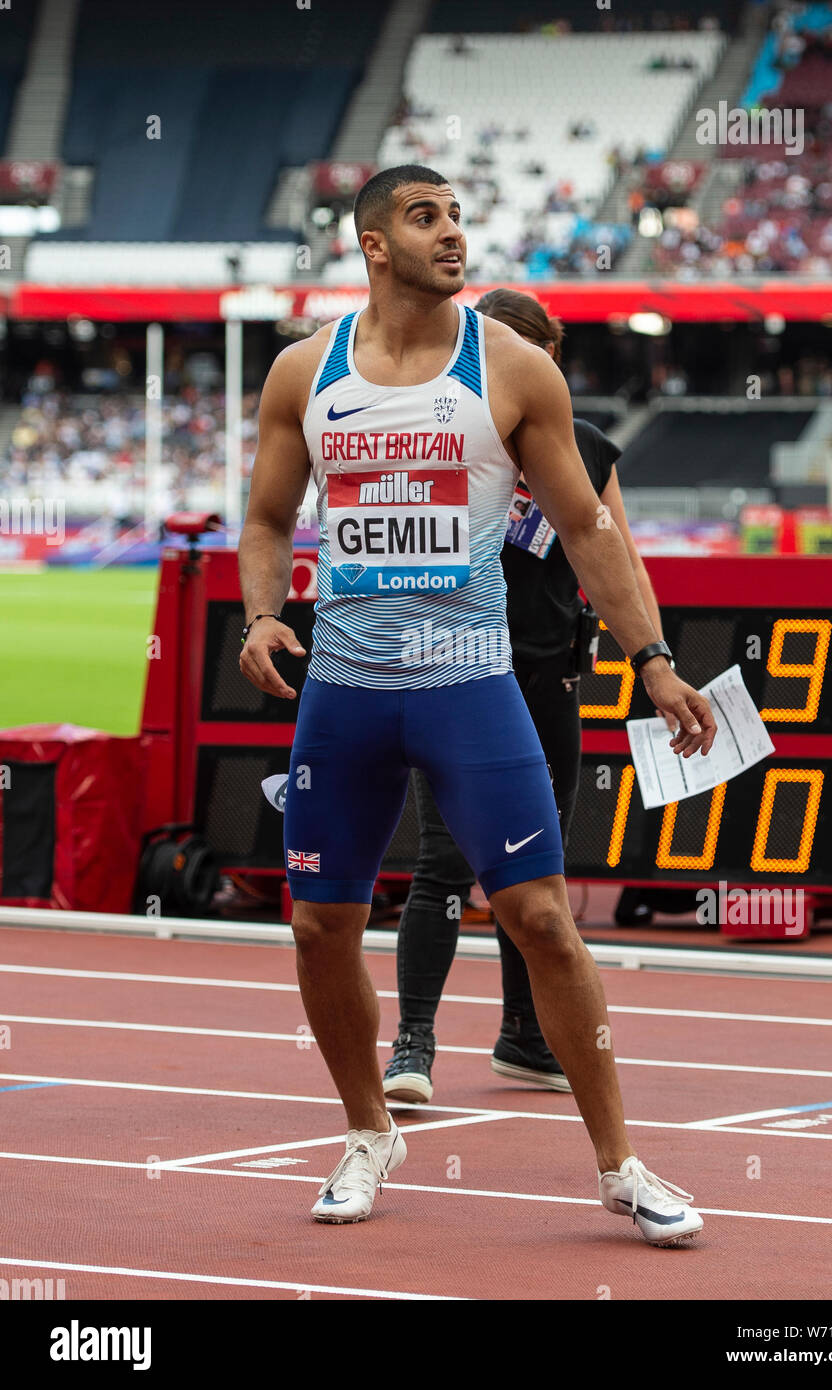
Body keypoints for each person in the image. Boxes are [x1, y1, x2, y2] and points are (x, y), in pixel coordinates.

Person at [238, 164, 715, 1246]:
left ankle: (619, 1165)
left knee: (542, 918)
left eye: (457, 214)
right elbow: (266, 519)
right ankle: (368, 1132)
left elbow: (590, 529)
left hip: (470, 685)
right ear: (371, 243)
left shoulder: (507, 367)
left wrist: (650, 658)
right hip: (347, 692)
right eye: (423, 217)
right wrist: (261, 613)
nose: (451, 232)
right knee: (318, 926)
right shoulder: (301, 374)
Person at [382, 287, 665, 1103]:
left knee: (530, 871)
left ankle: (525, 1039)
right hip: (462, 676)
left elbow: (616, 558)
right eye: (485, 340)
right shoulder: (445, 437)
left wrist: (654, 657)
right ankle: (412, 1047)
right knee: (442, 867)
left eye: (518, 343)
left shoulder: (584, 448)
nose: (499, 356)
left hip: (550, 682)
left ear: (548, 352)